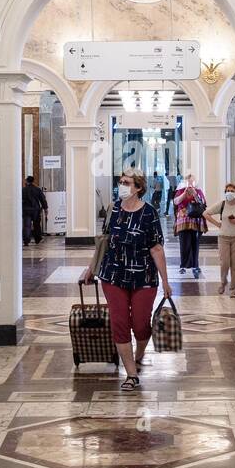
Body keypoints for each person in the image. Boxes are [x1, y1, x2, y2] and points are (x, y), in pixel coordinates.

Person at [81, 167, 171, 391]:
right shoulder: (113, 209)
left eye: (127, 183)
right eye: (121, 181)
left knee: (140, 324)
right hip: (113, 275)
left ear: (138, 188)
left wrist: (166, 282)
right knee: (120, 323)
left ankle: (139, 353)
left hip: (144, 277)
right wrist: (91, 268)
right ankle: (131, 374)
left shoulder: (149, 213)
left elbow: (157, 248)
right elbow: (104, 242)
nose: (122, 186)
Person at [205, 182, 235, 296]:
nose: (229, 193)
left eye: (232, 191)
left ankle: (233, 288)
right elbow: (206, 213)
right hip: (224, 238)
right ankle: (223, 282)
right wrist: (217, 224)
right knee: (225, 263)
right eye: (228, 190)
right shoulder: (222, 205)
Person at [172, 172, 207, 278]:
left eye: (192, 180)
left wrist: (195, 194)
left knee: (195, 243)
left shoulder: (199, 191)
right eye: (189, 180)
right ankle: (183, 265)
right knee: (184, 242)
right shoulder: (180, 191)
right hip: (184, 219)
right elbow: (176, 202)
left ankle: (195, 265)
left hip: (196, 219)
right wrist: (185, 193)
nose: (191, 182)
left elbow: (203, 203)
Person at [21, 175, 47, 246]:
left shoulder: (23, 190)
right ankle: (38, 239)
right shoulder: (37, 189)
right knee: (36, 225)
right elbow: (42, 199)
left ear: (26, 181)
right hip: (36, 210)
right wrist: (45, 208)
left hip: (26, 210)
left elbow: (20, 200)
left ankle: (26, 240)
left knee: (27, 226)